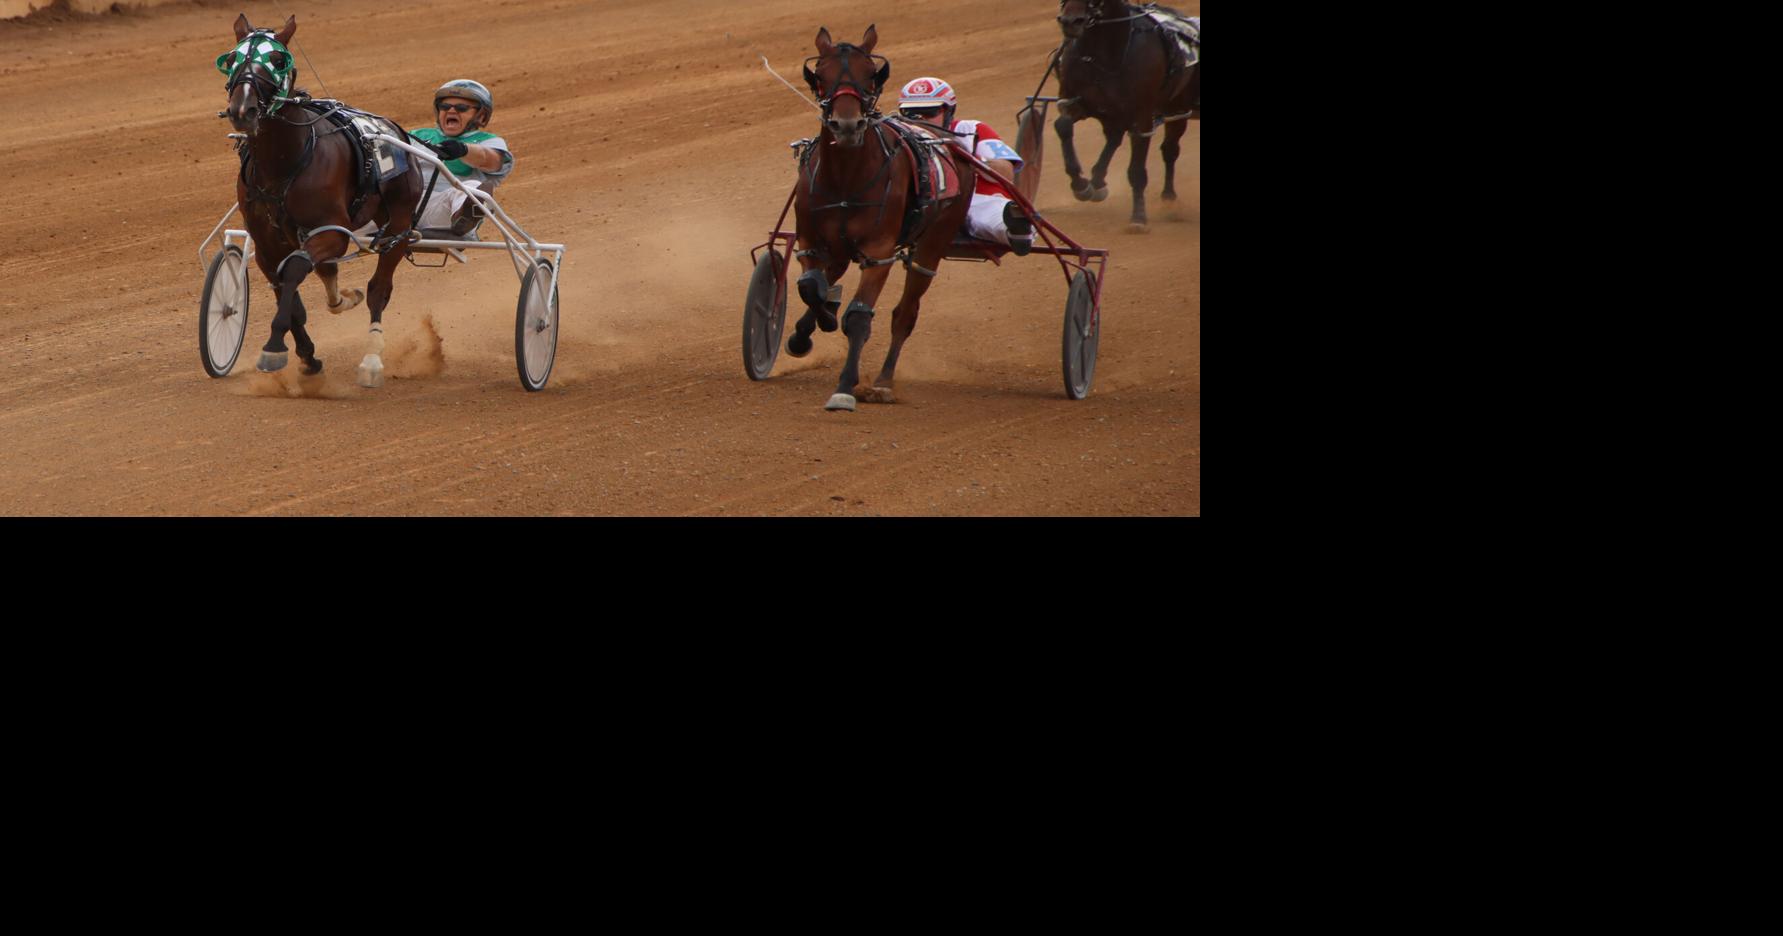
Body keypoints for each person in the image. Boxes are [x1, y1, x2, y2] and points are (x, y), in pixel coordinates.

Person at [895, 77, 1032, 256]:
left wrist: (967, 160)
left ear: (949, 111)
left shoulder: (971, 129)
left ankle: (1016, 229)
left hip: (975, 201)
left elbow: (1006, 172)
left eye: (930, 111)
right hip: (921, 206)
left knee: (988, 216)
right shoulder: (897, 136)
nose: (921, 119)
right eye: (910, 113)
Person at [411, 79, 514, 235]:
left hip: (442, 212)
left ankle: (464, 220)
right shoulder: (417, 135)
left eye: (461, 108)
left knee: (473, 188)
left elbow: (490, 160)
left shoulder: (488, 141)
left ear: (481, 115)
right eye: (445, 107)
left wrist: (463, 150)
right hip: (401, 205)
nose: (451, 111)